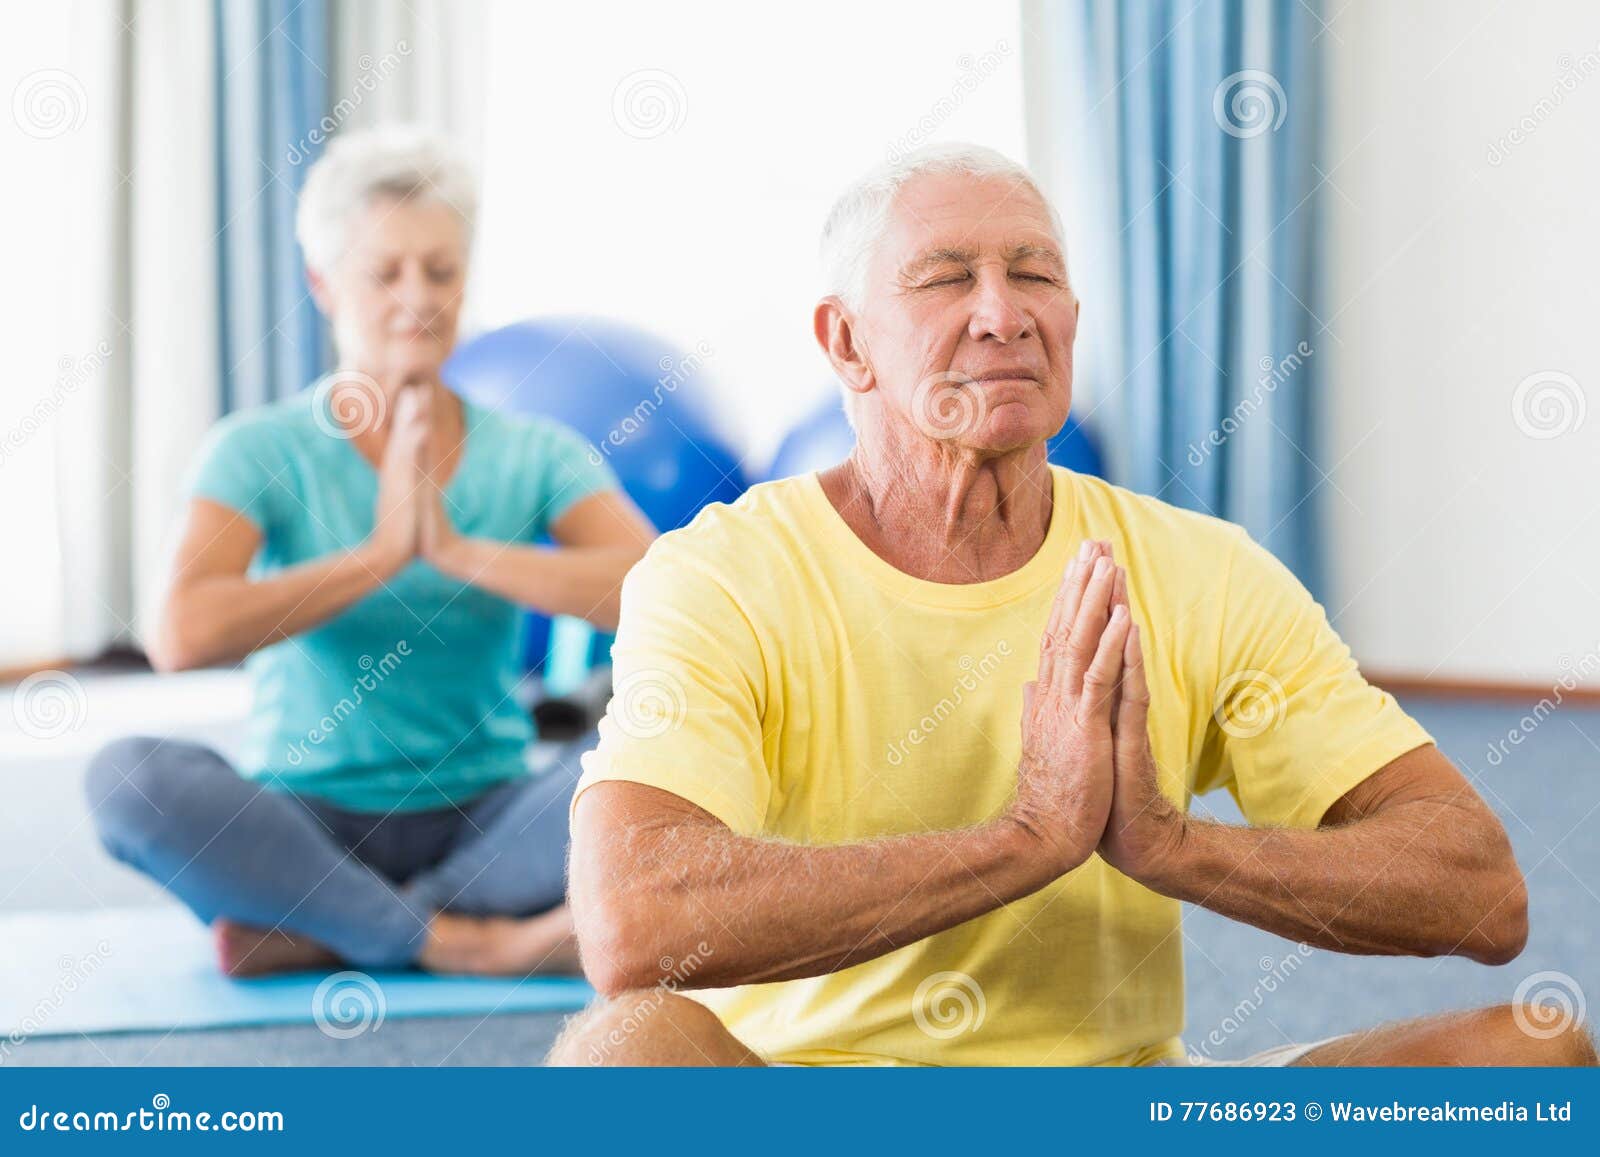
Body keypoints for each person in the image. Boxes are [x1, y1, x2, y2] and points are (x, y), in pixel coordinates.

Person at [549, 144, 1595, 1067]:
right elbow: (632, 924)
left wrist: (1172, 845)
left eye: (1033, 274)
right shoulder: (724, 573)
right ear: (847, 343)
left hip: (1123, 1105)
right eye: (946, 278)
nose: (1002, 312)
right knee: (624, 1052)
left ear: (1071, 320)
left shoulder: (1198, 567)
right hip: (824, 1104)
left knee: (1524, 1053)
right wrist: (1026, 837)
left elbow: (1481, 890)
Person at [86, 128, 655, 979]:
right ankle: (455, 938)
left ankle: (335, 929)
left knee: (673, 734)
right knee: (128, 778)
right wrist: (382, 553)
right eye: (384, 273)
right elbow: (180, 633)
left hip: (491, 817)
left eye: (441, 270)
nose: (416, 298)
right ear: (323, 283)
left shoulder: (533, 450)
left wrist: (458, 550)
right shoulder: (256, 447)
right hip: (307, 823)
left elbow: (662, 593)